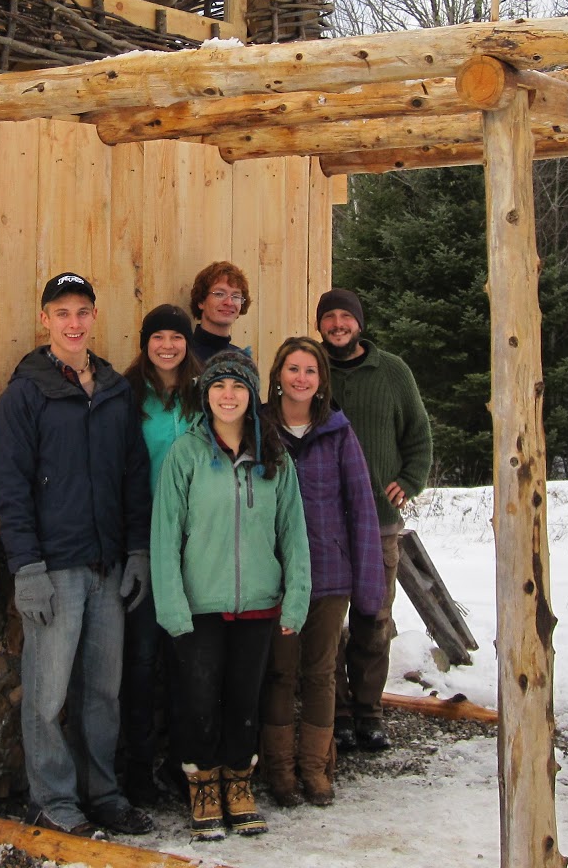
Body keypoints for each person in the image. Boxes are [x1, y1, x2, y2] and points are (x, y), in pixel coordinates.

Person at [0, 272, 155, 836]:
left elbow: (134, 475)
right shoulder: (26, 393)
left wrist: (138, 550)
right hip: (56, 568)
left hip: (108, 567)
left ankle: (101, 793)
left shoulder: (114, 390)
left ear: (93, 317)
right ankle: (51, 799)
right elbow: (10, 486)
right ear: (45, 320)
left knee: (101, 693)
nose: (74, 323)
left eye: (82, 311)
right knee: (48, 692)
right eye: (62, 313)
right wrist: (26, 567)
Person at [152, 349, 310, 840]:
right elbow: (165, 534)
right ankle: (203, 790)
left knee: (244, 699)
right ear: (207, 393)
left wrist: (297, 596)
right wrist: (172, 605)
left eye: (238, 387)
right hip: (199, 605)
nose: (228, 395)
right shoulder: (187, 454)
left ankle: (239, 785)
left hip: (258, 604)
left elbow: (294, 531)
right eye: (219, 386)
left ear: (252, 395)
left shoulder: (274, 456)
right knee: (198, 700)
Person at [259, 336, 385, 806]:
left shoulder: (337, 432)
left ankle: (315, 768)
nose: (301, 378)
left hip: (329, 573)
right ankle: (279, 771)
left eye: (310, 371)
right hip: (273, 576)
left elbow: (361, 507)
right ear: (278, 376)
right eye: (293, 369)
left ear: (320, 380)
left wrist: (368, 586)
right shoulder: (260, 430)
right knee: (279, 673)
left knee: (320, 674)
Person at [316, 287, 433, 755]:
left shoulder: (392, 372)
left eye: (346, 317)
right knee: (328, 625)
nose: (338, 325)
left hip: (379, 522)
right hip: (324, 523)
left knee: (373, 619)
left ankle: (369, 711)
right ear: (320, 324)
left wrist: (409, 479)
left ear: (359, 324)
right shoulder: (310, 368)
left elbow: (419, 436)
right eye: (330, 318)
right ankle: (337, 714)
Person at [118, 303, 202, 805]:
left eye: (176, 337)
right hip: (147, 542)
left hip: (195, 544)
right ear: (145, 342)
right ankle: (137, 767)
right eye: (158, 337)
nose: (168, 345)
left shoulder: (203, 393)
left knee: (187, 656)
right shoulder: (128, 395)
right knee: (143, 657)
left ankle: (182, 762)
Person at [187, 261, 251, 363]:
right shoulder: (184, 355)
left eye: (236, 296)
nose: (229, 303)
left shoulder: (242, 361)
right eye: (219, 294)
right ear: (201, 301)